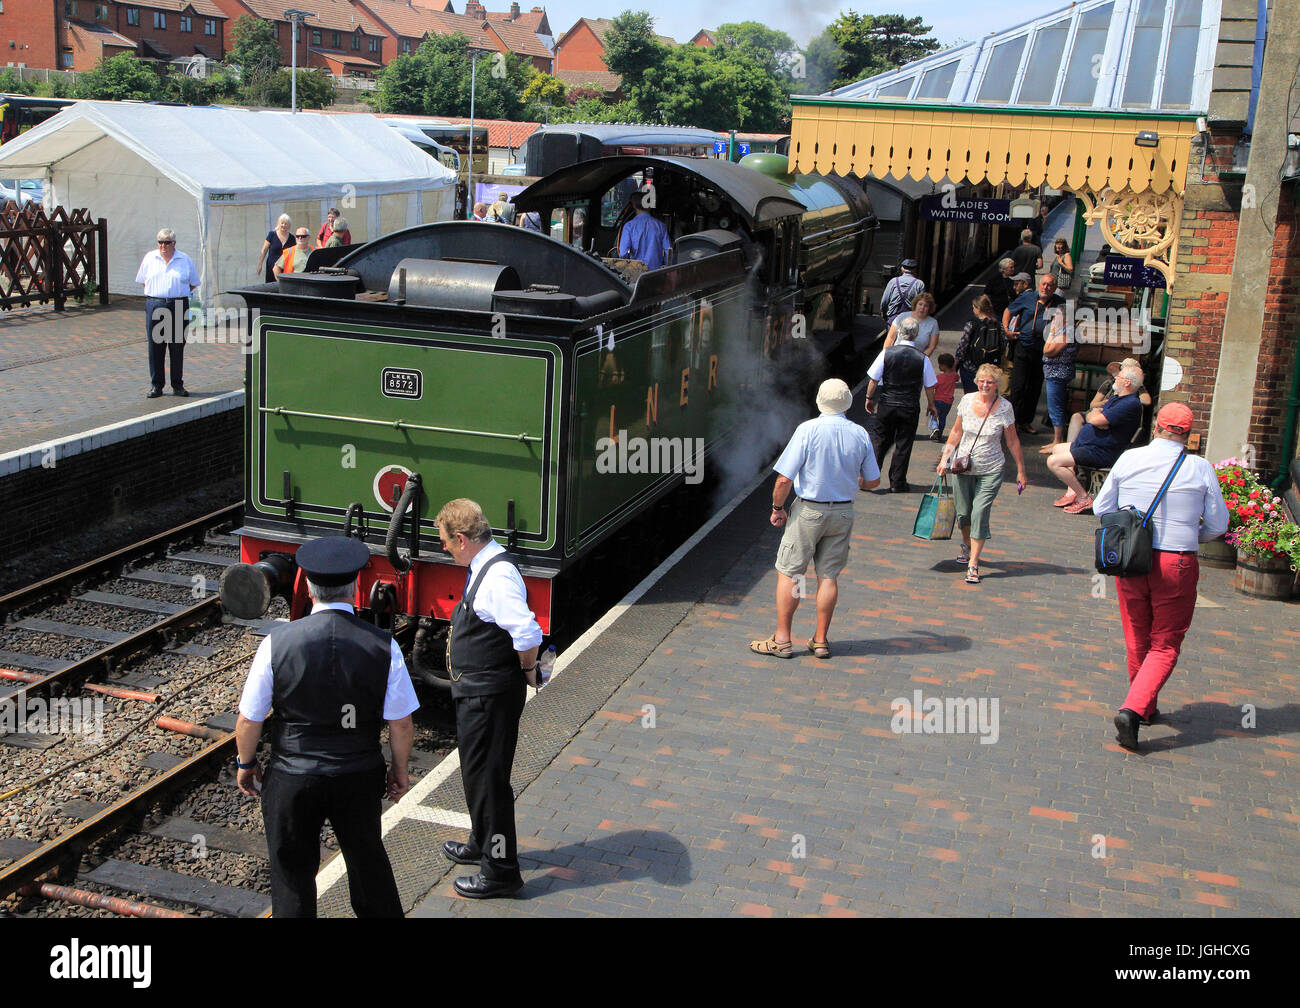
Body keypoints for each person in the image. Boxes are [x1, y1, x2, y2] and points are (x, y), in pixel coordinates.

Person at [234, 536, 418, 918]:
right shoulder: (384, 645)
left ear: (307, 586)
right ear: (355, 588)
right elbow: (400, 723)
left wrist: (245, 763)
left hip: (292, 776)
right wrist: (398, 772)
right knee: (368, 863)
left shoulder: (277, 643)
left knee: (291, 875)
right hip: (357, 775)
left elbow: (251, 718)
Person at [1094, 403, 1229, 751]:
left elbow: (1101, 507)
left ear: (1157, 427)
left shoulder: (1130, 459)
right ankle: (1135, 708)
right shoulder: (1199, 468)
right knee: (1166, 642)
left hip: (1131, 558)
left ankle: (1144, 706)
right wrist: (1187, 536)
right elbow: (1218, 525)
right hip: (1177, 561)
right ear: (1188, 434)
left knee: (1137, 633)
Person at [438, 498, 543, 899]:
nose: (444, 547)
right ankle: (482, 842)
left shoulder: (496, 578)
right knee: (475, 775)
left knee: (490, 783)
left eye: (446, 540)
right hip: (478, 695)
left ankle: (500, 871)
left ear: (462, 539)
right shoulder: (485, 566)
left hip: (489, 697)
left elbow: (528, 633)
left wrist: (529, 670)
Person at [750, 379, 881, 660]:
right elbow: (873, 481)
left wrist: (777, 508)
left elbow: (784, 478)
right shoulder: (859, 434)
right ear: (847, 403)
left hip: (809, 512)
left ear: (821, 401)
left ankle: (783, 639)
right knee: (828, 576)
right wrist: (850, 481)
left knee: (793, 572)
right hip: (843, 513)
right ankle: (820, 640)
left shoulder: (808, 430)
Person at [936, 363, 1026, 584]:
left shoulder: (1005, 407)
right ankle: (966, 543)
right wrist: (944, 459)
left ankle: (973, 564)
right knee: (964, 513)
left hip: (991, 468)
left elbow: (1012, 440)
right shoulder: (967, 401)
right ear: (977, 381)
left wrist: (1021, 470)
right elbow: (956, 432)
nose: (985, 385)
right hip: (962, 467)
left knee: (979, 513)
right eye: (982, 381)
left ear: (997, 385)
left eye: (990, 382)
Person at [1047, 362, 1144, 513]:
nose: (1116, 378)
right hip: (1091, 445)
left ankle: (1084, 498)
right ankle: (1073, 491)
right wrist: (1096, 417)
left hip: (1102, 451)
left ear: (1127, 382)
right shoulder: (1116, 398)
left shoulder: (1130, 404)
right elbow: (1093, 414)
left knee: (1053, 462)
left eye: (1119, 376)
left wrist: (1096, 417)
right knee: (1056, 449)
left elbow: (1096, 419)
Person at [865, 316, 939, 493]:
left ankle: (870, 479)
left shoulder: (887, 353)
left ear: (899, 332)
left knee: (880, 440)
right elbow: (929, 386)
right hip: (909, 406)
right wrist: (931, 405)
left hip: (887, 403)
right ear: (916, 334)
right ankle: (897, 483)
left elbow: (874, 379)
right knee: (904, 444)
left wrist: (869, 397)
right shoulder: (923, 358)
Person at [135, 227, 200, 399]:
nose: (163, 246)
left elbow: (193, 283)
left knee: (177, 346)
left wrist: (175, 294)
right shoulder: (150, 258)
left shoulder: (184, 259)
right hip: (155, 305)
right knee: (155, 347)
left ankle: (177, 385)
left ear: (174, 243)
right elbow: (143, 281)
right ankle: (157, 386)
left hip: (178, 305)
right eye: (160, 242)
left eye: (166, 243)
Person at [1004, 274, 1065, 435]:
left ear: (1054, 287)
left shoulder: (1060, 303)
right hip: (1023, 347)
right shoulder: (1027, 298)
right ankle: (1013, 422)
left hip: (1043, 351)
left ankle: (1025, 421)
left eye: (1050, 285)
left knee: (1034, 387)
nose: (1046, 287)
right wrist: (1006, 330)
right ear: (1039, 285)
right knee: (1018, 386)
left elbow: (1068, 322)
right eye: (1044, 284)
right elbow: (1008, 311)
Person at [1039, 307, 1078, 454]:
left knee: (1055, 408)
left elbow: (1048, 351)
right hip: (1054, 372)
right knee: (1055, 406)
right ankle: (1056, 440)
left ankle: (1058, 441)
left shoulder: (1067, 332)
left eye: (1056, 318)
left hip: (1058, 373)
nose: (1053, 321)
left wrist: (1052, 334)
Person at [955, 294, 1006, 393]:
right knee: (988, 397)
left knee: (971, 397)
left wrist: (956, 363)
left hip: (971, 367)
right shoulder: (998, 325)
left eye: (973, 307)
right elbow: (1002, 346)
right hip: (990, 369)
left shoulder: (971, 324)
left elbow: (963, 346)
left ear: (978, 308)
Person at [618, 191, 672, 270]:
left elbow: (623, 253)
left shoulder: (629, 226)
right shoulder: (661, 226)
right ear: (650, 206)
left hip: (635, 271)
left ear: (634, 206)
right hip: (655, 272)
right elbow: (668, 252)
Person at [883, 291, 940, 357]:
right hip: (896, 356)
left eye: (926, 306)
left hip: (917, 359)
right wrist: (886, 356)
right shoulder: (902, 317)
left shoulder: (933, 323)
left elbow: (932, 346)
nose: (922, 308)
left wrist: (921, 359)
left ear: (929, 308)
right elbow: (890, 338)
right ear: (915, 304)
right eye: (920, 304)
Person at [880, 259, 925, 328]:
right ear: (914, 270)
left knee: (891, 338)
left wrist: (884, 315)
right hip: (910, 321)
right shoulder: (919, 284)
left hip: (894, 319)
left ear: (902, 268)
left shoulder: (893, 281)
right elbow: (922, 305)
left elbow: (884, 301)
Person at [257, 214, 293, 284]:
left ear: (289, 225)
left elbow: (294, 253)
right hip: (271, 267)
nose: (284, 225)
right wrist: (260, 264)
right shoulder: (272, 235)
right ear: (278, 224)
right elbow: (264, 250)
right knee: (271, 286)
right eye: (282, 223)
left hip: (285, 268)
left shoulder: (292, 238)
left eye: (286, 224)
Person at [931, 353, 958, 442]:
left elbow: (932, 386)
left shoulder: (939, 377)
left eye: (940, 365)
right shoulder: (954, 376)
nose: (939, 366)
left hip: (938, 400)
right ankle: (940, 434)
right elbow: (957, 377)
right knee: (943, 418)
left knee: (934, 415)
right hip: (948, 402)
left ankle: (935, 428)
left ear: (944, 366)